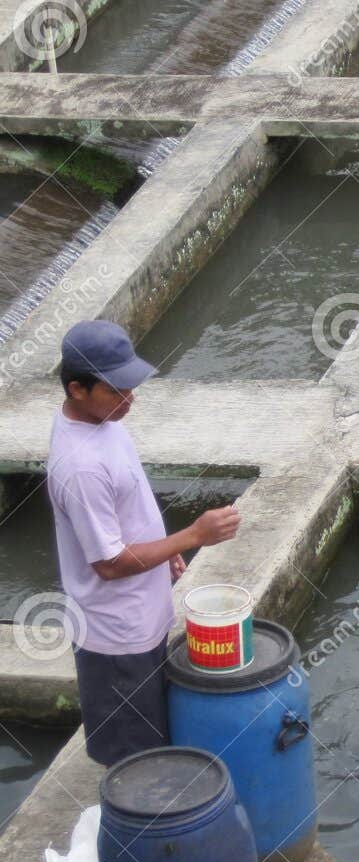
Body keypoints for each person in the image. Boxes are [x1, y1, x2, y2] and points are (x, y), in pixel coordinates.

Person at [46, 320, 240, 766]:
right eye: (116, 390)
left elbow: (127, 506)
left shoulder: (104, 421)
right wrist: (193, 536)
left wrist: (166, 549)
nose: (129, 399)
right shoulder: (79, 467)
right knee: (135, 762)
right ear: (78, 389)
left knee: (156, 740)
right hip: (116, 641)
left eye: (131, 387)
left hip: (142, 619)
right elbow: (110, 563)